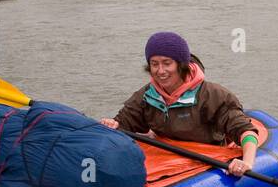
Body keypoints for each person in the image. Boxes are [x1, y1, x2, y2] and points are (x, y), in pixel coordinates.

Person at [100, 32, 258, 177]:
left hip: (208, 159)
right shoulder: (146, 96)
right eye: (154, 64)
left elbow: (246, 132)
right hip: (166, 159)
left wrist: (247, 163)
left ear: (181, 65)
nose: (160, 71)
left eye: (167, 63)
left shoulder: (212, 95)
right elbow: (123, 124)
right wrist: (113, 124)